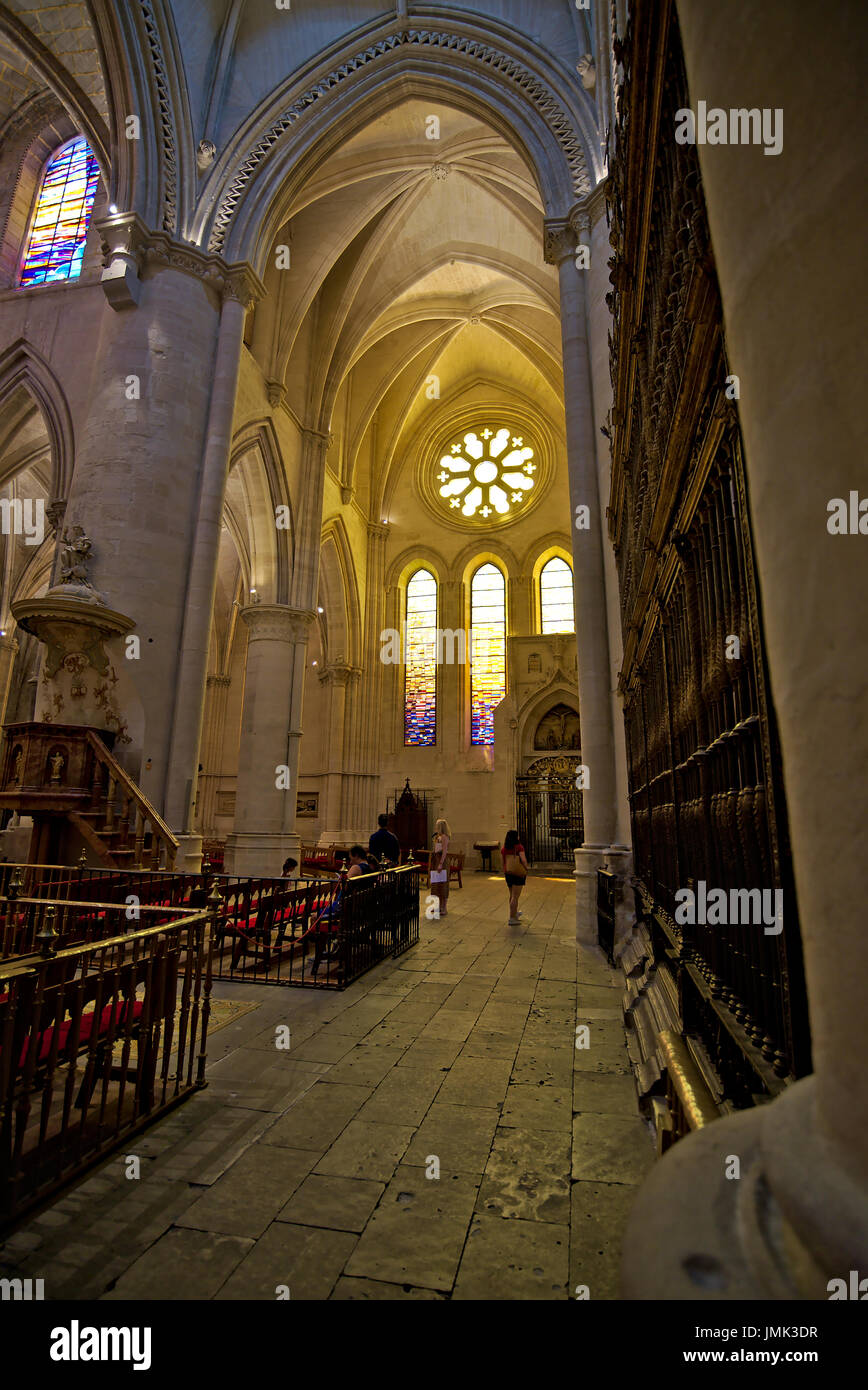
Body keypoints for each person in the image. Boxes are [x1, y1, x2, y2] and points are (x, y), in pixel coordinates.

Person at [501, 829, 529, 925]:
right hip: (518, 873)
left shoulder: (504, 848)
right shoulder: (519, 847)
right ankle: (512, 918)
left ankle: (514, 913)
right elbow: (523, 859)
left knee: (511, 895)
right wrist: (526, 868)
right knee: (515, 896)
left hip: (508, 872)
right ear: (515, 837)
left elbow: (503, 862)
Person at [429, 818, 450, 917]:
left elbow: (445, 851)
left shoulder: (445, 837)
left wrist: (441, 863)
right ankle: (436, 905)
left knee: (443, 884)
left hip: (441, 861)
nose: (435, 827)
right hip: (435, 859)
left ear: (441, 827)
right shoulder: (437, 837)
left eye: (437, 825)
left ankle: (444, 907)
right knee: (436, 884)